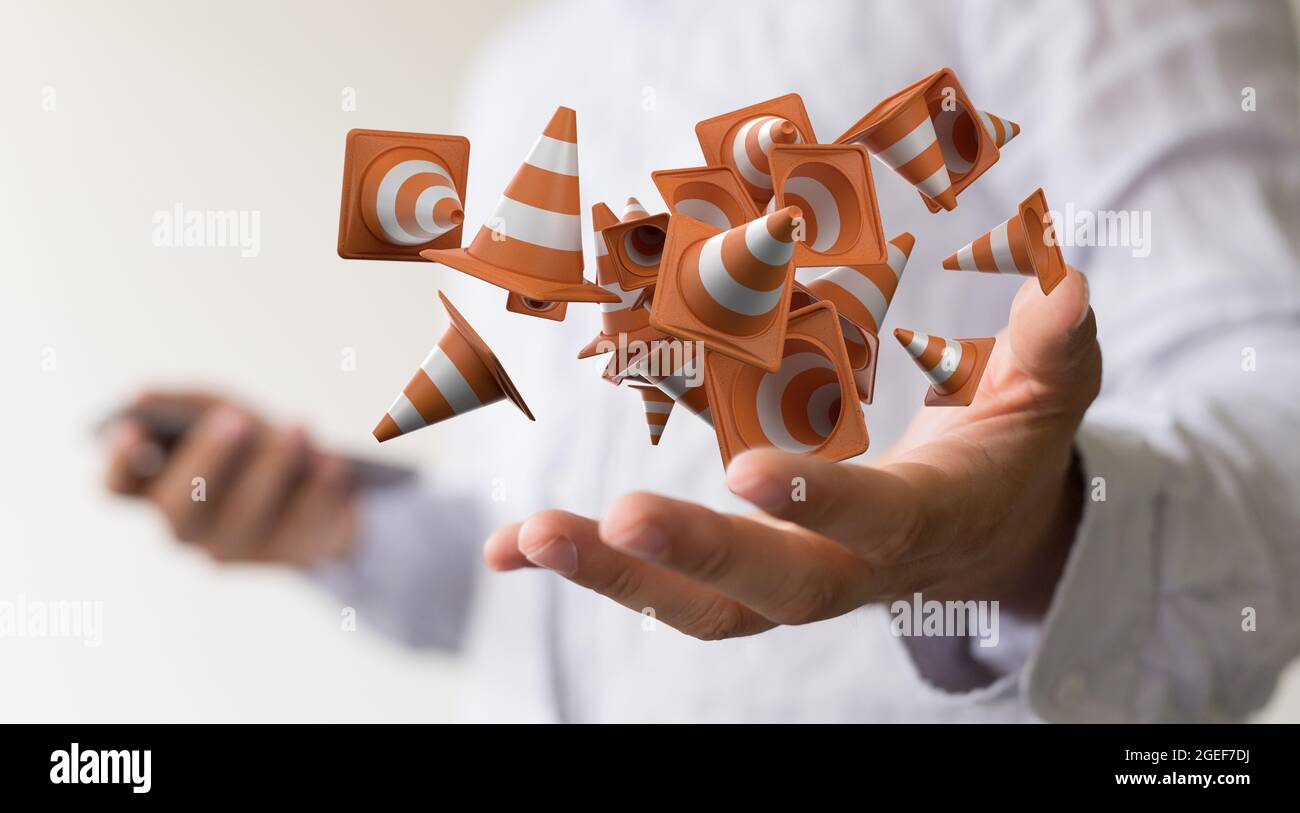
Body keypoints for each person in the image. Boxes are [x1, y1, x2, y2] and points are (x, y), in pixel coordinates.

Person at [102, 0, 1300, 722]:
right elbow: (563, 573)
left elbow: (1272, 398)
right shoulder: (524, 69)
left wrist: (1027, 549)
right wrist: (332, 530)